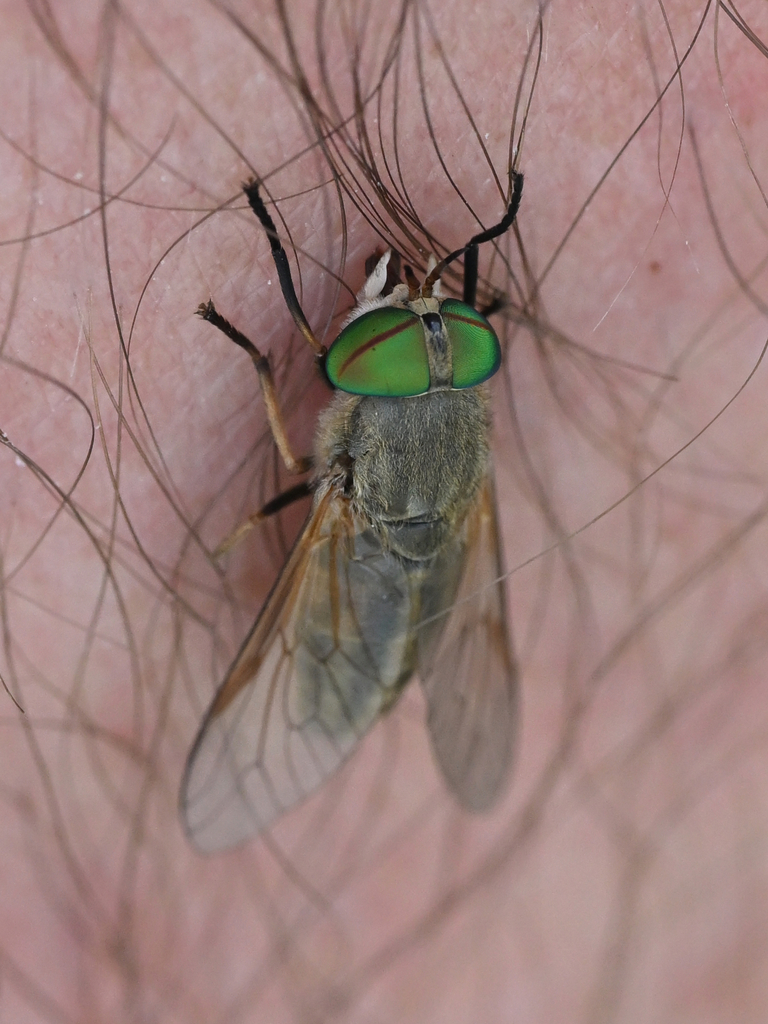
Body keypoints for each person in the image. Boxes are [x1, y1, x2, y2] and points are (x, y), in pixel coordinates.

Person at [2, 0, 767, 1020]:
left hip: (340, 642)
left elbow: (295, 456)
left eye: (439, 328)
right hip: (406, 592)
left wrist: (253, 322)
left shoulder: (356, 454)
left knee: (294, 496)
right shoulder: (464, 432)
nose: (431, 312)